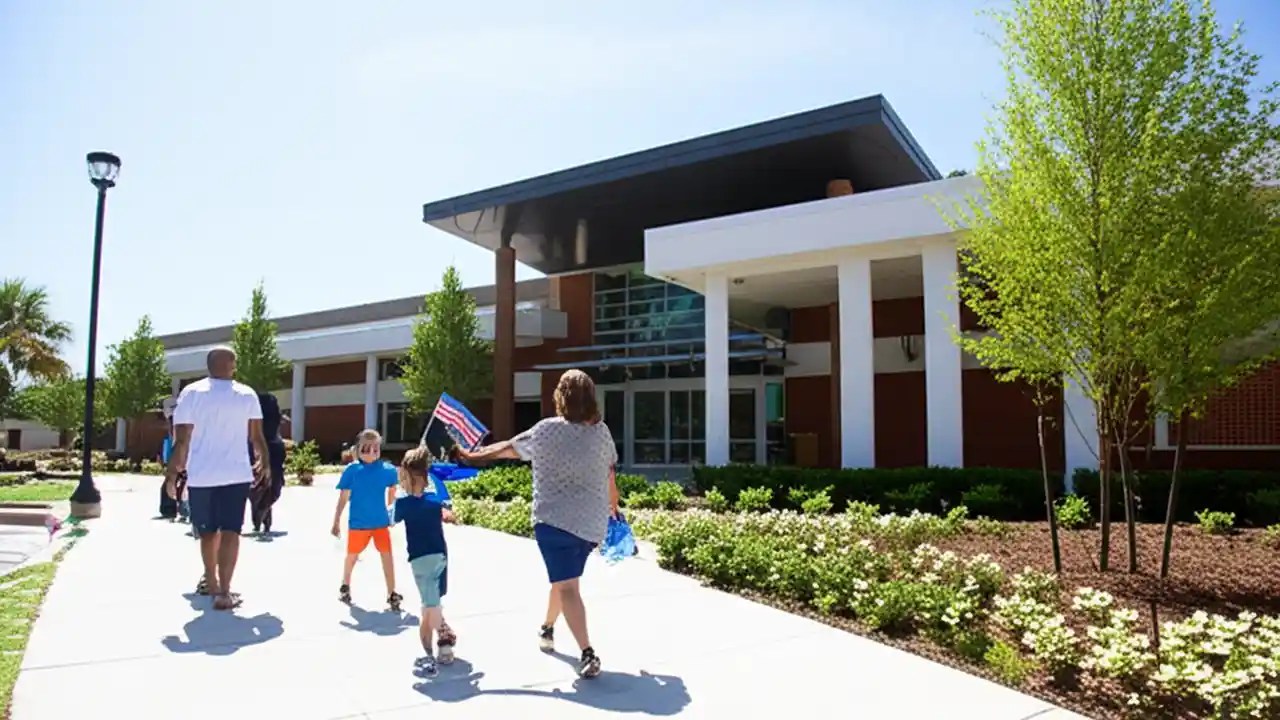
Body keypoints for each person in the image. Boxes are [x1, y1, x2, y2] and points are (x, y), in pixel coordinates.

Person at [454, 369, 620, 679]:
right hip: (590, 524)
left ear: (561, 396)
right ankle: (547, 628)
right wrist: (614, 506)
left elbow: (506, 448)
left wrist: (472, 454)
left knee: (567, 584)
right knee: (566, 580)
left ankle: (587, 652)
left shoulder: (546, 431)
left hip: (553, 521)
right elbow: (610, 474)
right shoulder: (602, 433)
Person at [165, 346, 270, 611]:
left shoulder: (191, 394)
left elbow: (182, 440)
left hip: (201, 475)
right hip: (236, 474)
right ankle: (224, 591)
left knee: (207, 532)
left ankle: (211, 583)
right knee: (232, 530)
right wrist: (265, 463)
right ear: (232, 364)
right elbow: (256, 437)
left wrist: (171, 475)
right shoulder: (246, 394)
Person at [392, 446, 461, 676]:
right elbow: (389, 517)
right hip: (431, 559)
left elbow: (389, 518)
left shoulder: (420, 502)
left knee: (430, 606)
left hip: (429, 559)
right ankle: (439, 646)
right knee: (430, 605)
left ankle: (439, 644)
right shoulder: (421, 502)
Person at [331, 429, 402, 609]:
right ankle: (345, 584)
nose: (371, 452)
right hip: (358, 523)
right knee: (352, 555)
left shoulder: (387, 470)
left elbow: (392, 492)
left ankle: (392, 592)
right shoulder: (352, 470)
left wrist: (391, 512)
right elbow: (343, 497)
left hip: (380, 522)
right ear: (358, 448)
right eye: (366, 448)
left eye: (375, 448)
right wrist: (336, 520)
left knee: (387, 555)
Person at [248, 391, 287, 535]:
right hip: (269, 448)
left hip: (262, 449)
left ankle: (261, 517)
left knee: (259, 490)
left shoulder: (256, 416)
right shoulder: (261, 416)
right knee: (266, 489)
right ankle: (263, 519)